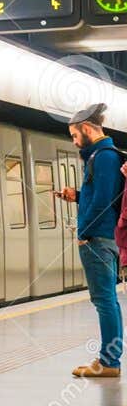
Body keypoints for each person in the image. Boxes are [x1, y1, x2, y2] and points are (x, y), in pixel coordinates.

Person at [59, 102, 124, 378]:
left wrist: (83, 233)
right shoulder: (101, 156)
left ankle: (109, 362)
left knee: (104, 300)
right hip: (103, 236)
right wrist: (76, 195)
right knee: (108, 300)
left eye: (75, 135)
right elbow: (99, 195)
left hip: (98, 239)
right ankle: (109, 359)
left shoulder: (103, 157)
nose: (74, 142)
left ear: (87, 129)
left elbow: (102, 201)